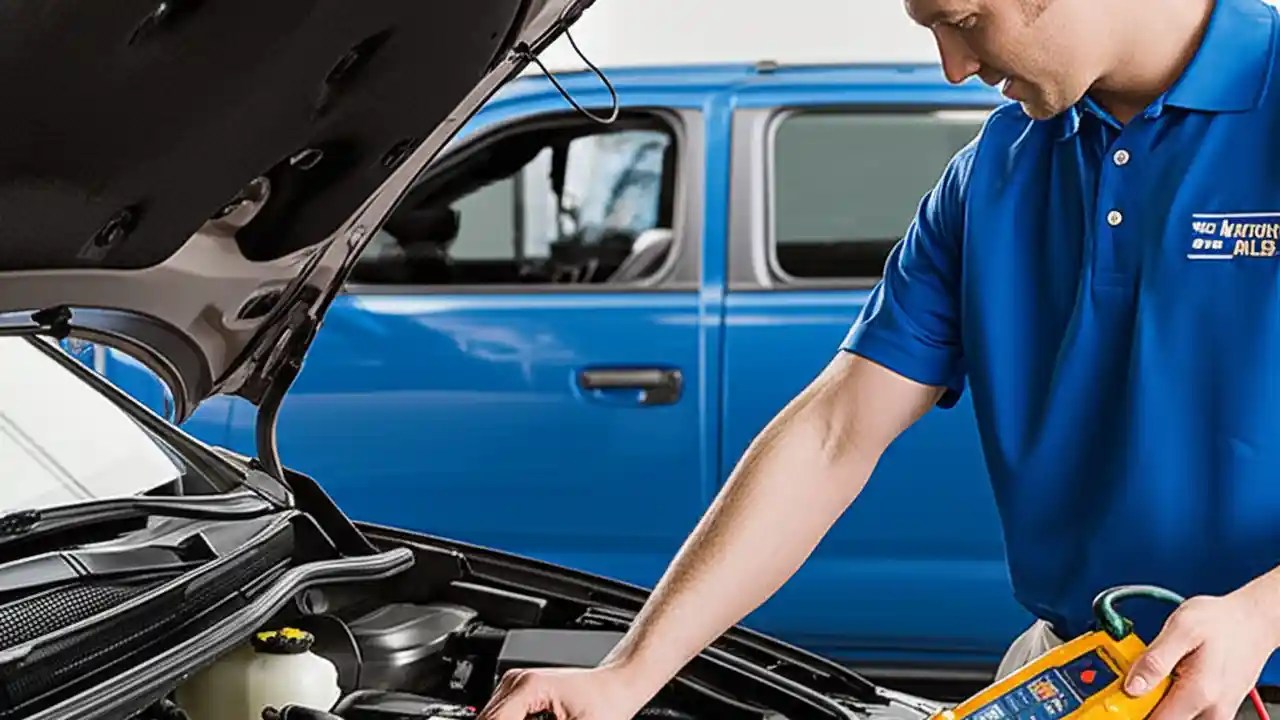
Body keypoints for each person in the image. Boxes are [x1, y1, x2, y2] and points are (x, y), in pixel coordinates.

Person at [477, 0, 1280, 718]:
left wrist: (1258, 616)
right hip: (1074, 676)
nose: (956, 68)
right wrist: (627, 674)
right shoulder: (991, 175)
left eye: (962, 21)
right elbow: (834, 432)